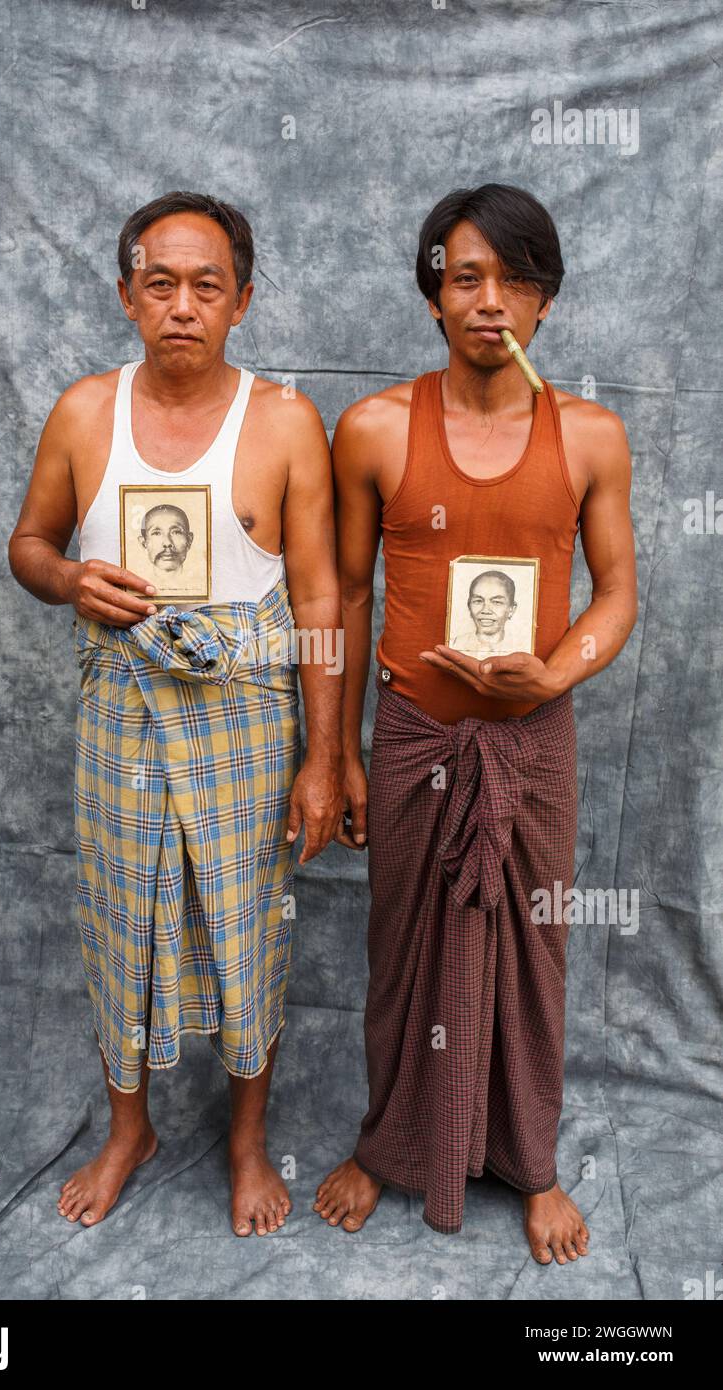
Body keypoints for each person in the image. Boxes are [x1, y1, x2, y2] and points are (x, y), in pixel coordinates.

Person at [315, 183, 638, 1265]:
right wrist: (340, 752)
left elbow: (615, 597)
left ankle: (529, 1164)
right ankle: (385, 1145)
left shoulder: (589, 436)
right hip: (413, 741)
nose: (487, 299)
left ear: (543, 302)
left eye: (512, 279)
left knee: (533, 952)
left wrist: (547, 674)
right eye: (464, 277)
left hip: (531, 744)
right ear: (432, 298)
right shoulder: (372, 429)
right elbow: (346, 597)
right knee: (400, 950)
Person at [8, 191, 343, 1236]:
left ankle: (246, 1142)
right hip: (121, 716)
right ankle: (129, 1129)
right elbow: (27, 544)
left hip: (246, 719)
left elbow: (322, 597)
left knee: (248, 934)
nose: (182, 306)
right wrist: (68, 580)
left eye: (208, 286)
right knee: (120, 924)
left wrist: (324, 758)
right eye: (160, 284)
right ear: (125, 296)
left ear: (242, 300)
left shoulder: (284, 422)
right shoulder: (81, 411)